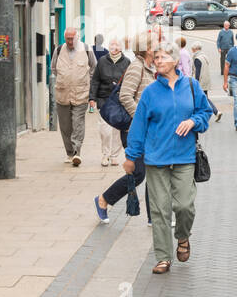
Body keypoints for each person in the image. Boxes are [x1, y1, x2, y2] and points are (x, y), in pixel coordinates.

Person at [123, 42, 213, 274]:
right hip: (156, 159)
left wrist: (193, 121)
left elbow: (205, 112)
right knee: (160, 210)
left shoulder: (191, 86)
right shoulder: (150, 93)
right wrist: (131, 156)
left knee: (184, 206)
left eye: (163, 57)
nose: (158, 61)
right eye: (156, 58)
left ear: (174, 60)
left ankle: (183, 237)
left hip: (185, 157)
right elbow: (139, 126)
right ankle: (163, 256)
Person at [94, 33, 155, 223]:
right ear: (146, 49)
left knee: (153, 172)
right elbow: (125, 96)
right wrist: (141, 119)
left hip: (145, 131)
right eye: (154, 46)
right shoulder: (136, 68)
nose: (157, 49)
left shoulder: (147, 67)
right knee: (137, 174)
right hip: (133, 131)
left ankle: (154, 216)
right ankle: (103, 200)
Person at [52, 27, 96, 166]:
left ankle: (77, 152)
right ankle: (69, 153)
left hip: (81, 93)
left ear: (77, 37)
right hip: (62, 93)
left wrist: (86, 81)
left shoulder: (86, 49)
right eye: (67, 38)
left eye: (72, 38)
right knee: (65, 126)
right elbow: (54, 68)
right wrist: (64, 79)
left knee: (78, 123)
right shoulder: (58, 50)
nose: (70, 41)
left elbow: (94, 67)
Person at [89, 37, 129, 167]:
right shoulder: (102, 61)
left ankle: (114, 155)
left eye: (117, 45)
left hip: (118, 101)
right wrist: (92, 98)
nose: (114, 47)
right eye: (112, 44)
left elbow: (129, 83)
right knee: (104, 129)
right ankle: (105, 154)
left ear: (121, 48)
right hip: (104, 99)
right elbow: (95, 80)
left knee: (117, 130)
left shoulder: (127, 62)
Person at [191, 42, 221, 122]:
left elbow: (197, 72)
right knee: (205, 98)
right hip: (206, 80)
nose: (191, 50)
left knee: (203, 99)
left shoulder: (197, 58)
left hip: (201, 82)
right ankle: (216, 112)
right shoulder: (204, 56)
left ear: (195, 49)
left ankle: (215, 112)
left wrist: (195, 83)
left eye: (192, 49)